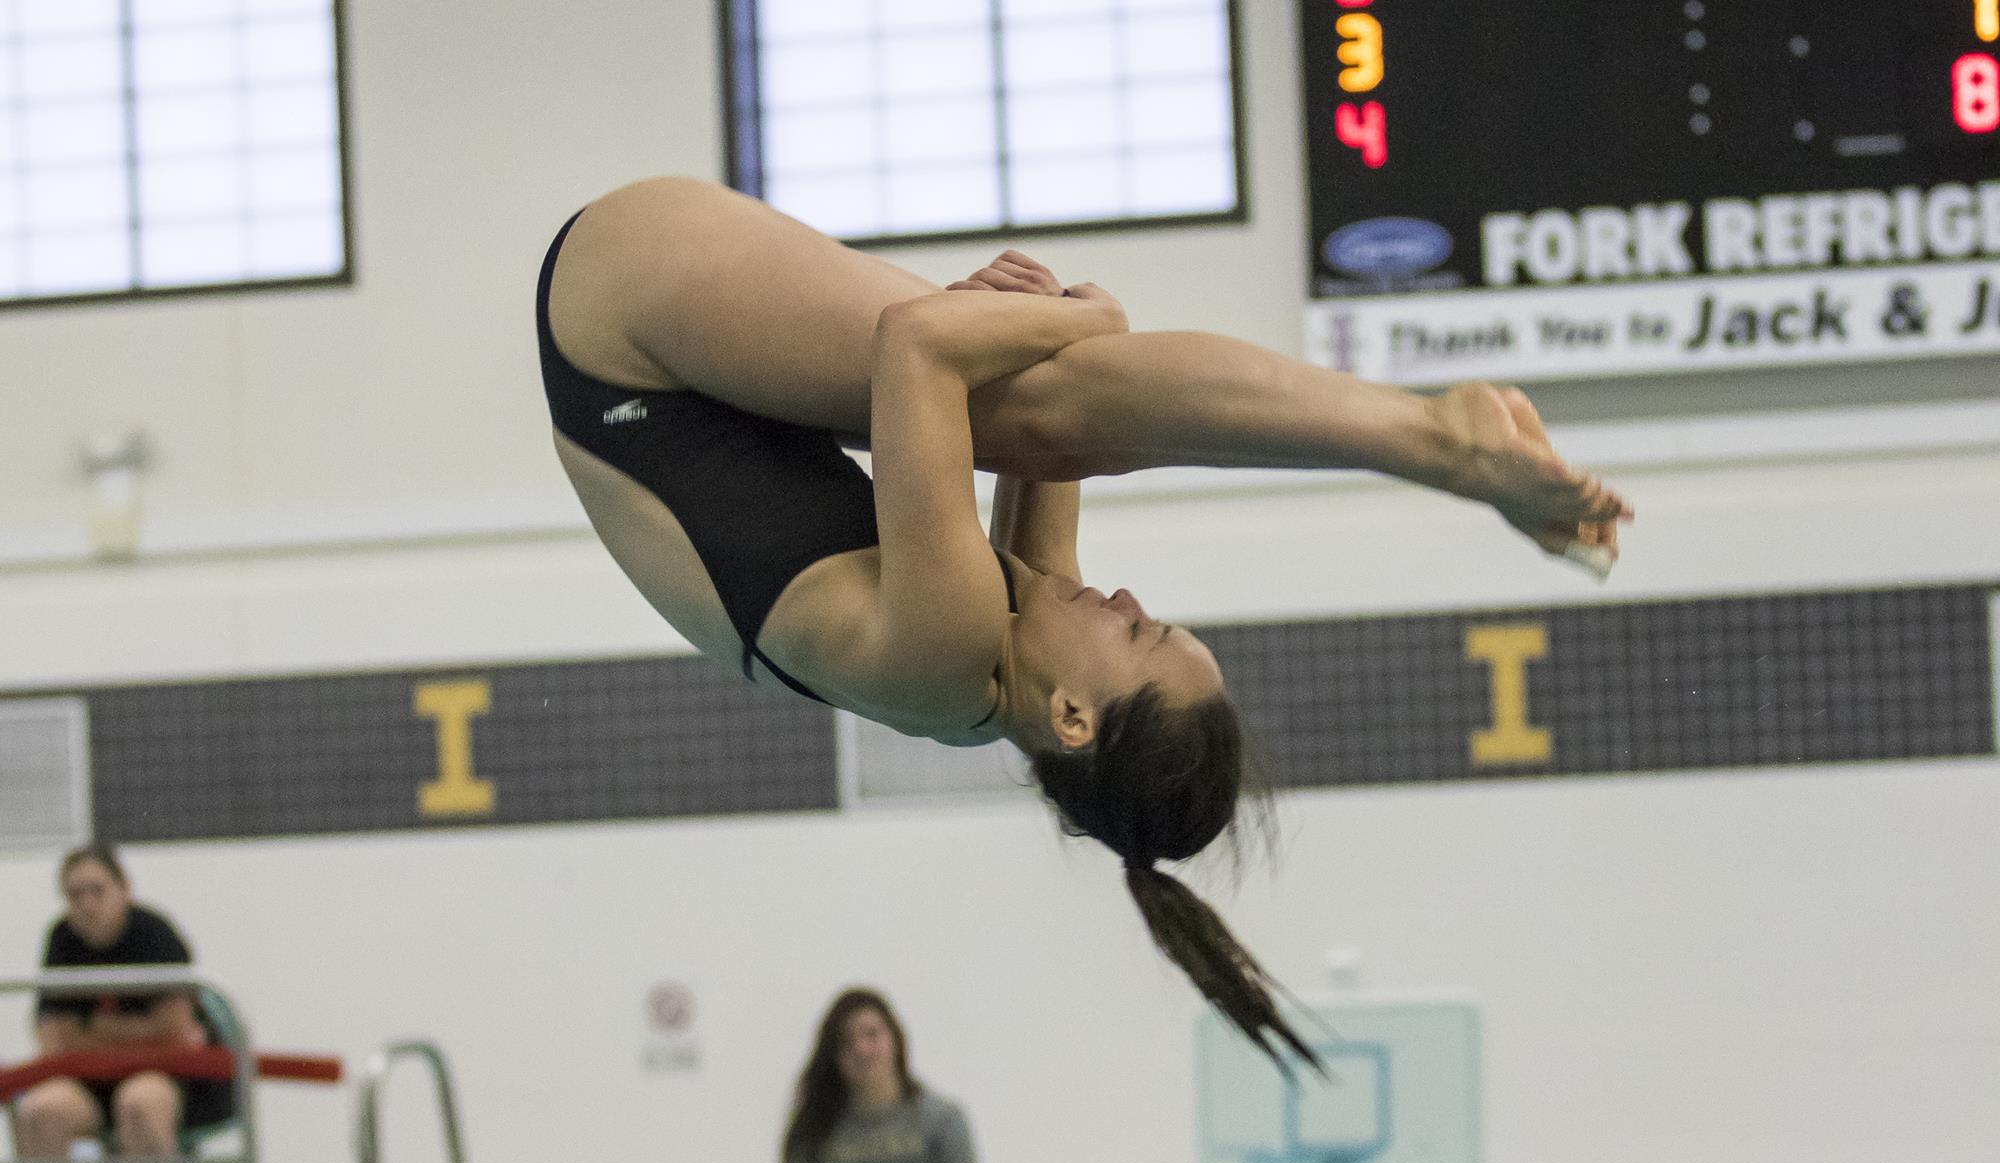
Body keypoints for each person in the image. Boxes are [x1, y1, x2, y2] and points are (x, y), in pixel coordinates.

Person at [538, 178, 1633, 1065]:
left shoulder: (945, 656)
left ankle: (1431, 443)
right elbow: (1017, 428)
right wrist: (1035, 320)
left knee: (1048, 392)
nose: (1123, 601)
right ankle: (1426, 441)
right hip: (695, 384)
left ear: (1071, 715)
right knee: (1044, 406)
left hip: (621, 330)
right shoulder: (1008, 661)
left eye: (1137, 634)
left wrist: (1076, 321)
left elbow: (919, 347)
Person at [13, 847, 231, 1163]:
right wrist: (138, 1029)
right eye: (75, 895)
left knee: (140, 1103)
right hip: (93, 1085)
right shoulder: (62, 940)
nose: (86, 905)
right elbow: (50, 1038)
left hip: (164, 1078)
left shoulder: (154, 935)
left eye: (96, 891)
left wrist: (91, 1032)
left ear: (124, 889)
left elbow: (176, 1030)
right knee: (38, 1112)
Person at [781, 990, 977, 1163]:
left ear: (895, 1038)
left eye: (872, 1035)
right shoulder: (811, 1133)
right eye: (847, 1042)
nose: (862, 1049)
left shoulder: (943, 1122)